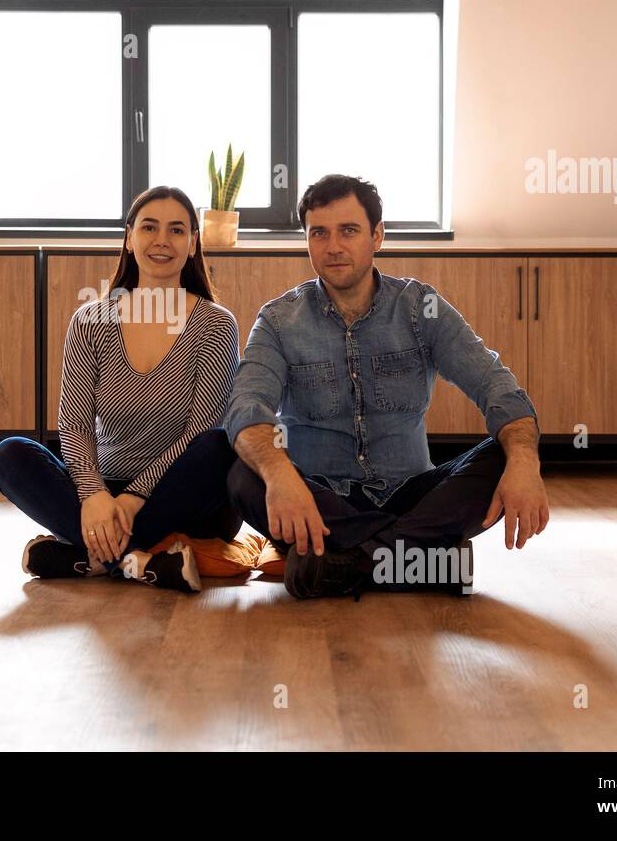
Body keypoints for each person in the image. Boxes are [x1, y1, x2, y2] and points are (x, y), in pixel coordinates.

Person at [223, 174, 552, 600]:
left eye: (349, 231)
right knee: (241, 472)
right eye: (319, 233)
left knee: (499, 456)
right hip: (317, 504)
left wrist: (525, 459)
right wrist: (280, 475)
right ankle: (419, 561)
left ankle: (349, 563)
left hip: (412, 496)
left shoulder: (421, 308)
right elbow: (247, 407)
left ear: (377, 236)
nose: (333, 246)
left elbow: (496, 385)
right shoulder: (278, 321)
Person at [0, 186, 241, 593]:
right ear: (129, 237)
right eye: (149, 227)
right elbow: (73, 423)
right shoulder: (91, 320)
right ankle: (140, 561)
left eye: (177, 230)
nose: (162, 240)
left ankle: (86, 556)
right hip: (106, 490)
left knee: (219, 445)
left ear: (193, 244)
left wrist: (135, 497)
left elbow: (201, 430)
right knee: (9, 454)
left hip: (185, 497)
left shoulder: (215, 324)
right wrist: (93, 494)